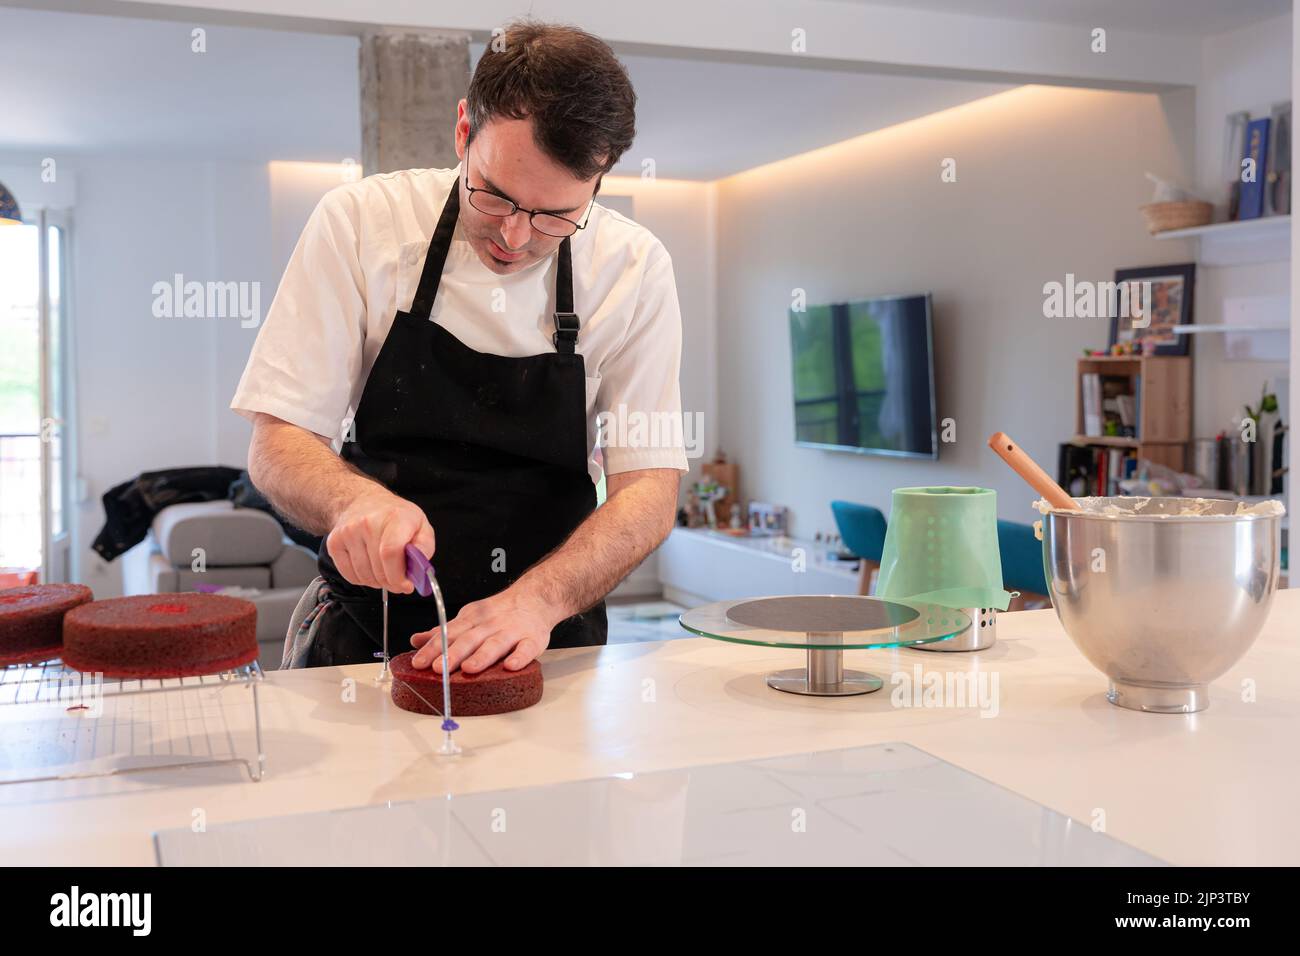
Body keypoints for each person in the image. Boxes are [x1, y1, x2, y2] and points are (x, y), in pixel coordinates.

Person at [231, 21, 687, 674]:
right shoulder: (362, 224)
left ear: (600, 181)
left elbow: (648, 490)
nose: (514, 236)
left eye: (555, 216)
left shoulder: (635, 268)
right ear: (463, 130)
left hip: (548, 642)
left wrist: (537, 600)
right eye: (494, 194)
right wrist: (354, 501)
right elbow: (277, 442)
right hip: (368, 633)